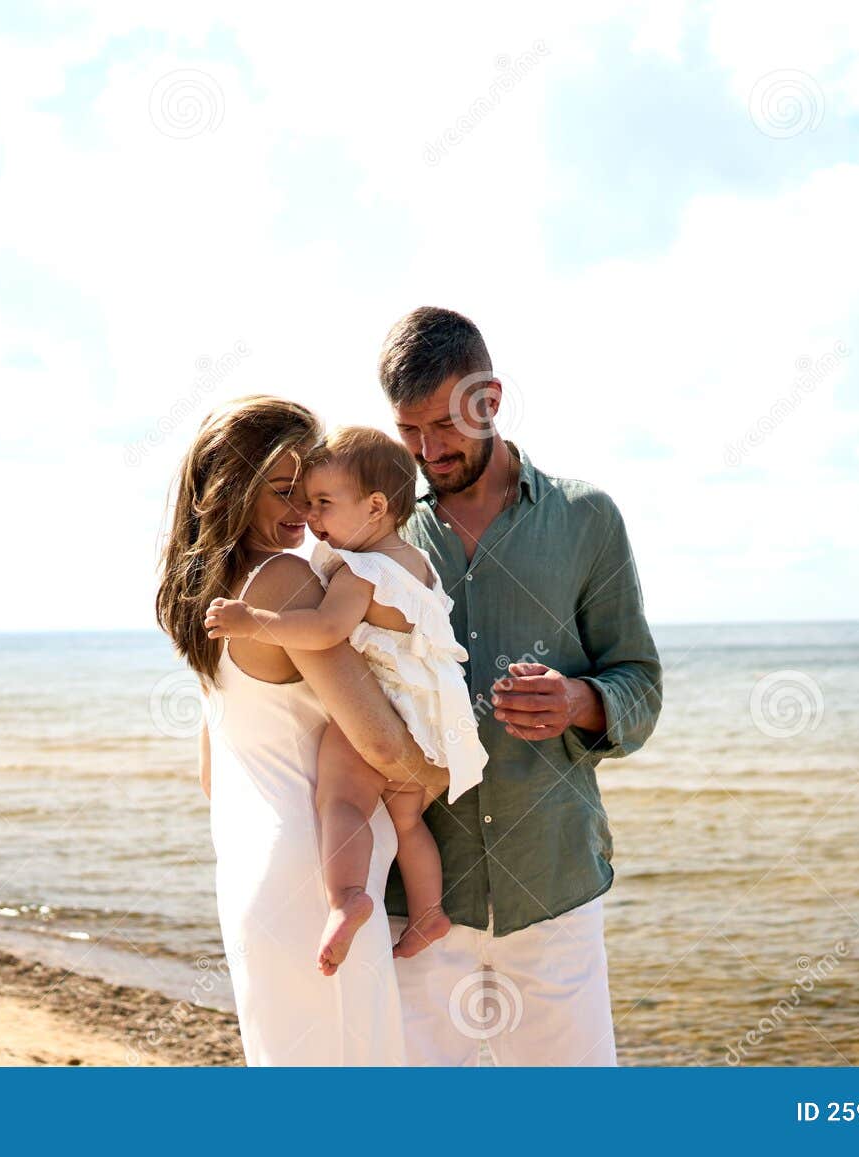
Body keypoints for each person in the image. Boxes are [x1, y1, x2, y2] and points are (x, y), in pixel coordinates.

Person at [377, 307, 663, 1066]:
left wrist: (579, 701)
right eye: (409, 431)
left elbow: (640, 682)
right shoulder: (383, 537)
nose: (428, 451)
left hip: (552, 889)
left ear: (490, 399)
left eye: (444, 425)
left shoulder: (586, 519)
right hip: (417, 903)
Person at [155, 395, 446, 1066]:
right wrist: (443, 771)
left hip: (251, 866)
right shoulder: (283, 580)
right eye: (281, 490)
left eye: (309, 491)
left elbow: (211, 774)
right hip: (319, 878)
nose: (302, 511)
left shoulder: (208, 596)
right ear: (234, 489)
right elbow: (379, 742)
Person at [204, 426, 488, 974]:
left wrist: (254, 621)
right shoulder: (420, 564)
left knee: (343, 803)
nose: (310, 516)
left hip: (390, 709)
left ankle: (347, 897)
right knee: (408, 823)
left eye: (322, 503)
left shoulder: (360, 571)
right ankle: (430, 912)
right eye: (302, 501)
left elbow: (325, 630)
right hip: (433, 716)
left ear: (375, 506)